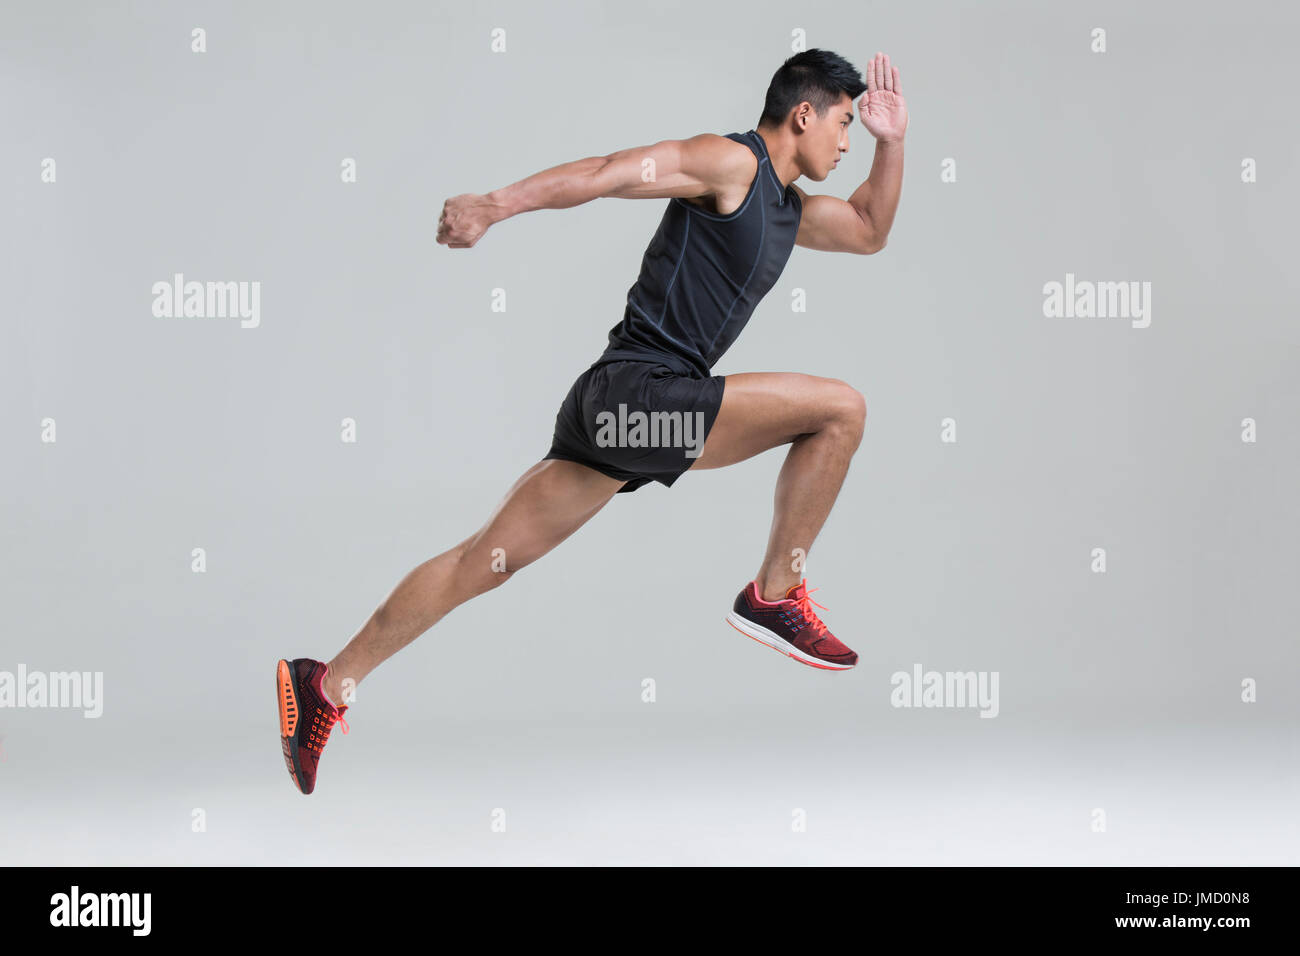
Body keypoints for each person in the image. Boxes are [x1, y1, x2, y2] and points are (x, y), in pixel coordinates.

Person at [278, 49, 907, 794]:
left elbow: (869, 227)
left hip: (616, 420)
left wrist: (892, 142)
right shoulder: (730, 164)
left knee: (480, 562)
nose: (848, 141)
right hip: (639, 398)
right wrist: (494, 205)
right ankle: (775, 594)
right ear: (803, 114)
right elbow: (612, 171)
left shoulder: (788, 211)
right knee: (841, 409)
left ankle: (324, 684)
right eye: (845, 123)